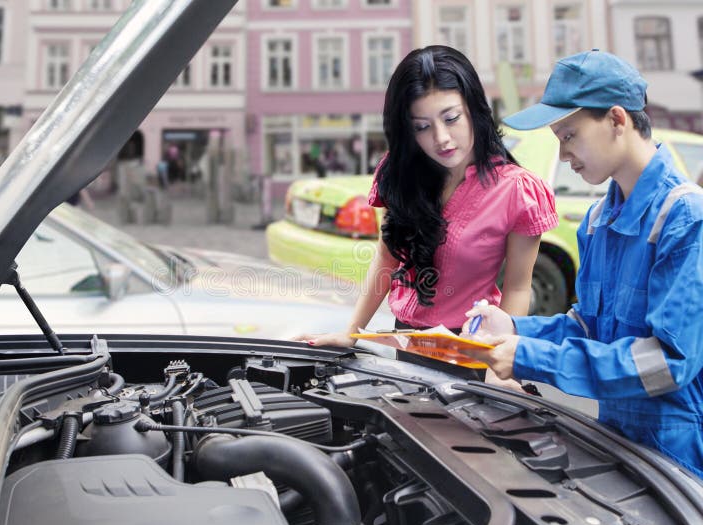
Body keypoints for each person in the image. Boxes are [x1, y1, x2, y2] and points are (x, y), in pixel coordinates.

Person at [462, 49, 703, 477]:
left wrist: (530, 356)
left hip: (679, 456)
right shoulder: (594, 223)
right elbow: (588, 328)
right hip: (616, 441)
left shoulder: (687, 218)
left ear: (616, 119)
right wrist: (514, 328)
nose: (562, 154)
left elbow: (668, 363)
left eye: (568, 135)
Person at [294, 45, 558, 383]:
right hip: (406, 344)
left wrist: (500, 361)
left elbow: (518, 288)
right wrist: (353, 333)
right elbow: (385, 261)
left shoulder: (517, 190)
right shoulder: (400, 173)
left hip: (472, 350)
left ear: (474, 109)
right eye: (422, 126)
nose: (441, 139)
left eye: (451, 119)